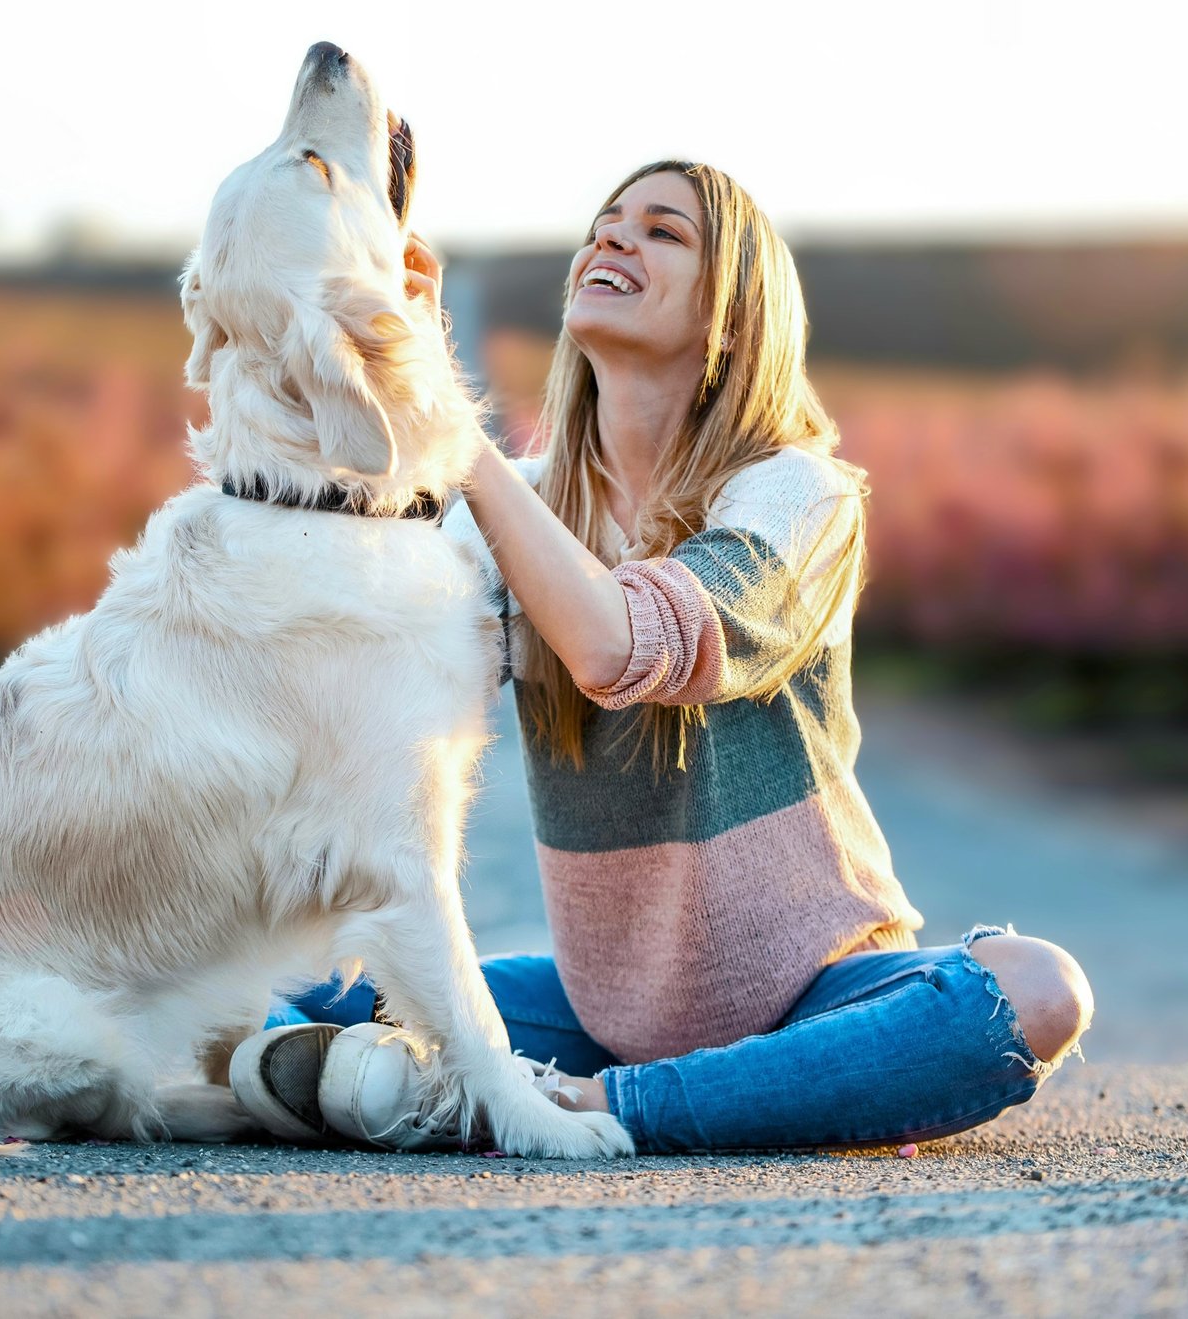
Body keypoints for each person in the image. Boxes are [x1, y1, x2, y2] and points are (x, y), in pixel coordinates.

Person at [230, 160, 1095, 1154]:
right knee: (254, 983)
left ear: (732, 316)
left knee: (1032, 989)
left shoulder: (795, 494)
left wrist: (451, 431)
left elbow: (616, 648)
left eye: (661, 231)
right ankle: (486, 1092)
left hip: (818, 987)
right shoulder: (513, 507)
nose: (612, 239)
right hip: (604, 1009)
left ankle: (597, 1107)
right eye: (603, 224)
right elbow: (358, 679)